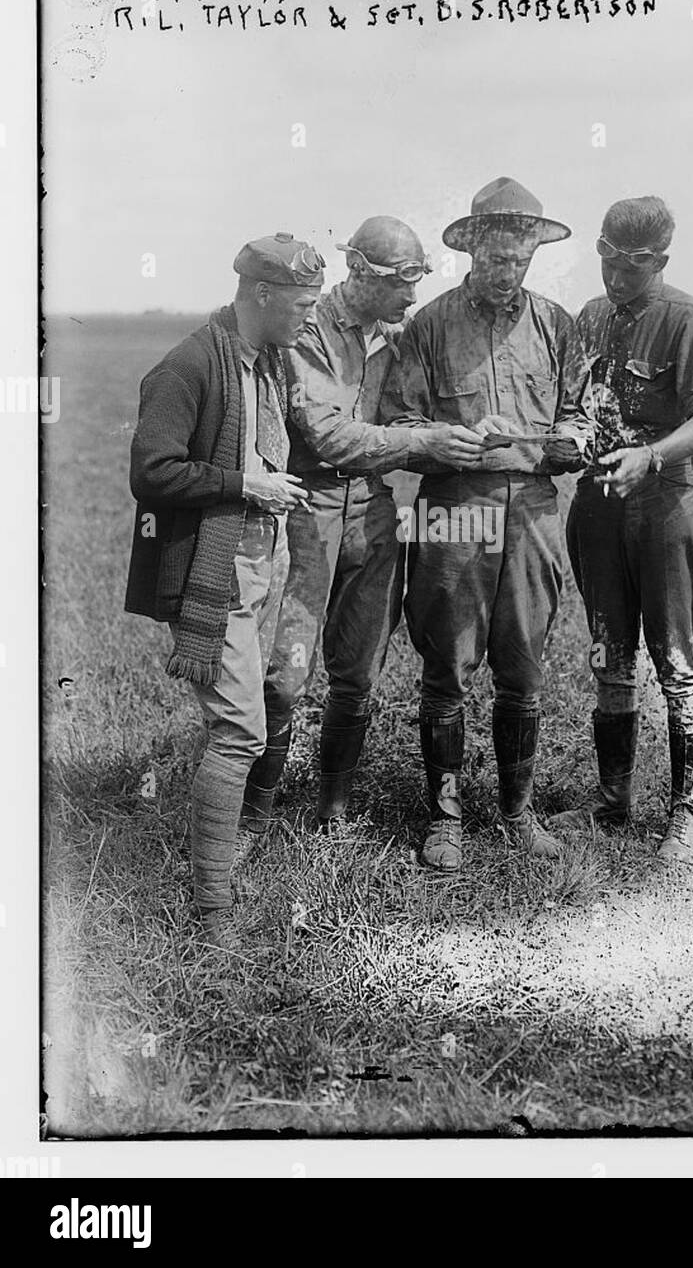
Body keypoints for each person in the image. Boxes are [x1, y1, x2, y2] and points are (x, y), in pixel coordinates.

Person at [381, 177, 593, 872]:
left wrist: (568, 439)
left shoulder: (558, 326)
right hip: (452, 510)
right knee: (445, 665)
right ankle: (443, 818)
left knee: (523, 669)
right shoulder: (430, 325)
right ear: (471, 248)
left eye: (520, 258)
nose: (508, 270)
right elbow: (396, 423)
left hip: (532, 511)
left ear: (534, 251)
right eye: (495, 257)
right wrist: (447, 436)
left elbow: (581, 416)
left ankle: (515, 812)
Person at [247, 217, 482, 834]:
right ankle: (255, 811)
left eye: (417, 282)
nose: (412, 298)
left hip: (373, 511)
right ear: (360, 273)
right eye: (402, 283)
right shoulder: (310, 329)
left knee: (357, 670)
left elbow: (405, 422)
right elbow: (325, 434)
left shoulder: (397, 338)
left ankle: (334, 809)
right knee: (286, 676)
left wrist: (459, 439)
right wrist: (419, 441)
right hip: (309, 509)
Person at [124, 233, 324, 944]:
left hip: (260, 559)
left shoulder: (260, 360)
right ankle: (215, 911)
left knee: (251, 717)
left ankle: (232, 857)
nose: (309, 316)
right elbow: (150, 471)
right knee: (240, 730)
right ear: (261, 296)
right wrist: (247, 485)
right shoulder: (187, 365)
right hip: (217, 569)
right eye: (301, 303)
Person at [548, 197, 693, 864]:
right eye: (605, 260)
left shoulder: (687, 318)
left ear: (658, 261)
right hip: (597, 510)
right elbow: (572, 405)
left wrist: (651, 455)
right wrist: (567, 438)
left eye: (631, 267)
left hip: (663, 510)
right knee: (609, 656)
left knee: (679, 668)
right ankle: (612, 797)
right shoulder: (590, 318)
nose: (615, 277)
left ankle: (690, 811)